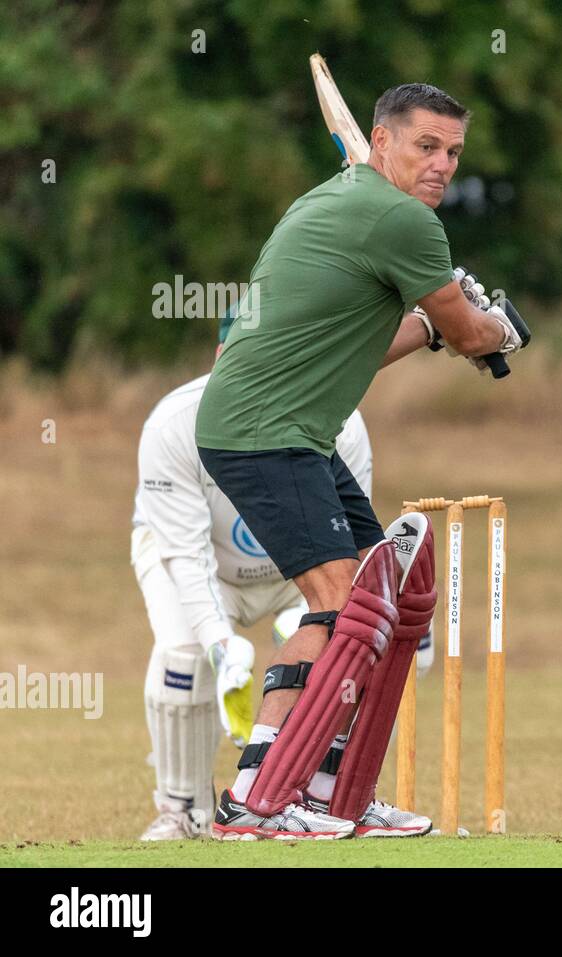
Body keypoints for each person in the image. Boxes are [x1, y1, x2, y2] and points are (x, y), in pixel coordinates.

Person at [196, 80, 521, 839]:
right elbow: (475, 335)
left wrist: (438, 326)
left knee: (385, 600)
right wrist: (497, 328)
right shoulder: (404, 224)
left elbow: (359, 349)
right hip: (263, 430)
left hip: (289, 427)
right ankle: (260, 793)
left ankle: (333, 787)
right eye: (425, 146)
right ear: (379, 142)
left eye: (453, 152)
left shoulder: (334, 201)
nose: (441, 164)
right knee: (343, 608)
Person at [132, 313, 426, 839]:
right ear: (222, 357)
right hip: (197, 566)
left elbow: (345, 545)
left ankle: (324, 794)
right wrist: (221, 646)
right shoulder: (172, 424)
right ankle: (183, 810)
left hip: (293, 565)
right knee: (181, 657)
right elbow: (186, 557)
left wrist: (349, 625)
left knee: (345, 644)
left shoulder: (342, 421)